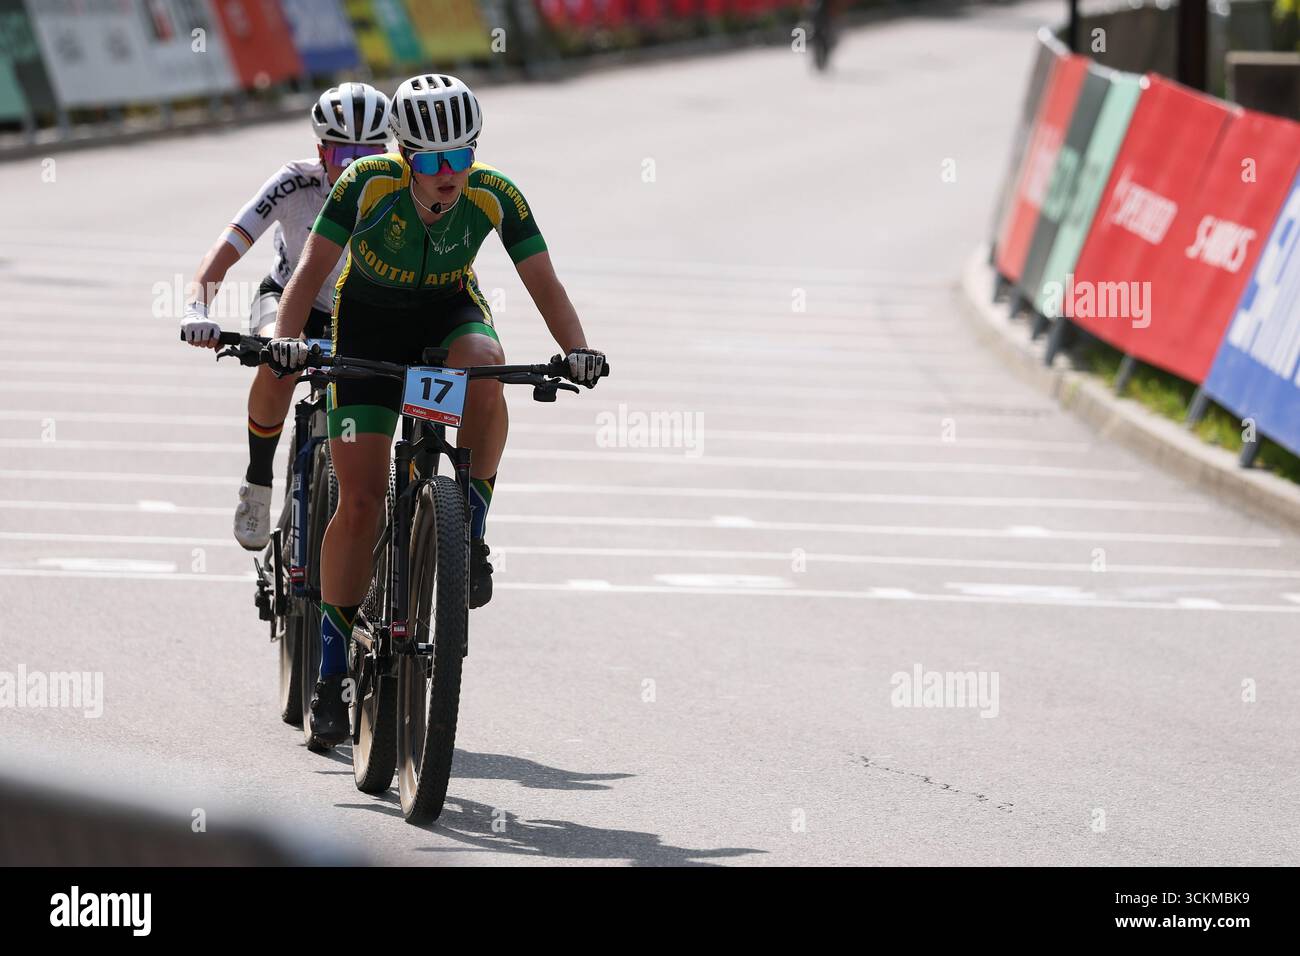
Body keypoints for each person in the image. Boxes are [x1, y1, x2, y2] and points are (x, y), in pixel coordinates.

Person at [264, 74, 606, 743]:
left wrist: (578, 351)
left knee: (485, 368)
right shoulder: (365, 184)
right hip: (368, 327)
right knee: (359, 505)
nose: (448, 175)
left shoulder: (495, 194)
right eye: (430, 161)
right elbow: (309, 274)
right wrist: (285, 343)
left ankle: (466, 531)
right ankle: (332, 673)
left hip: (448, 316)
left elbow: (543, 280)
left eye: (460, 158)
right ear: (403, 155)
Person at [179, 83, 393, 550]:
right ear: (321, 150)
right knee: (277, 358)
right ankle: (258, 479)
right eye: (343, 154)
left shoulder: (396, 188)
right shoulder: (292, 182)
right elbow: (229, 245)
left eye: (368, 153)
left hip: (358, 314)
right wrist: (197, 307)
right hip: (289, 299)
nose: (354, 166)